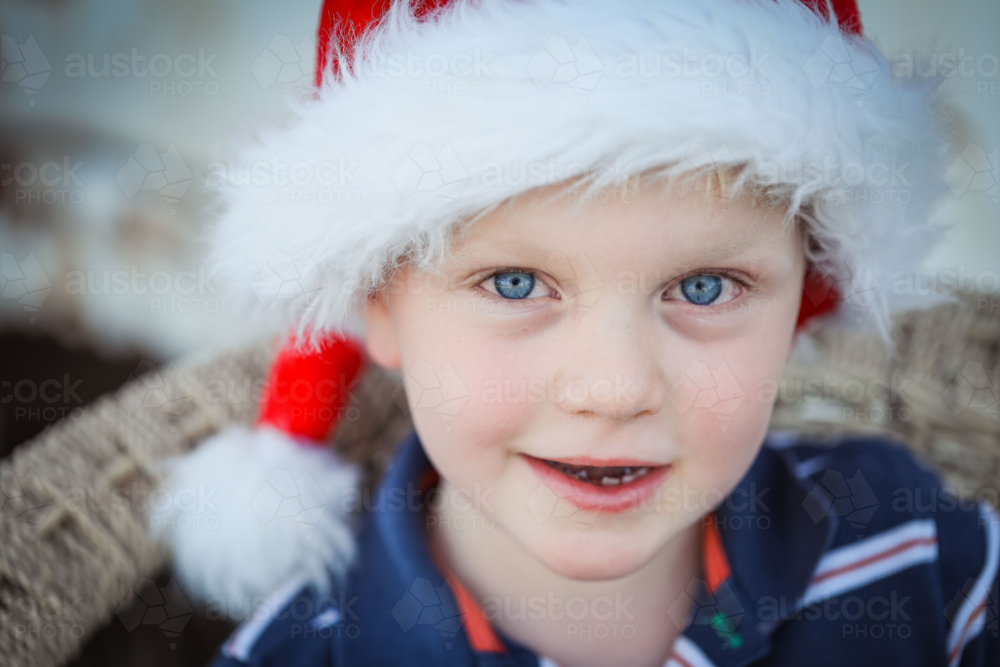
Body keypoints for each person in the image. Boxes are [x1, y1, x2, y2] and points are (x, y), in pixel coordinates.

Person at [154, 1, 999, 665]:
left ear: (802, 300)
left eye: (704, 287)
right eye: (515, 284)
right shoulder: (301, 653)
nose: (614, 388)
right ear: (379, 304)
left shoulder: (917, 548)